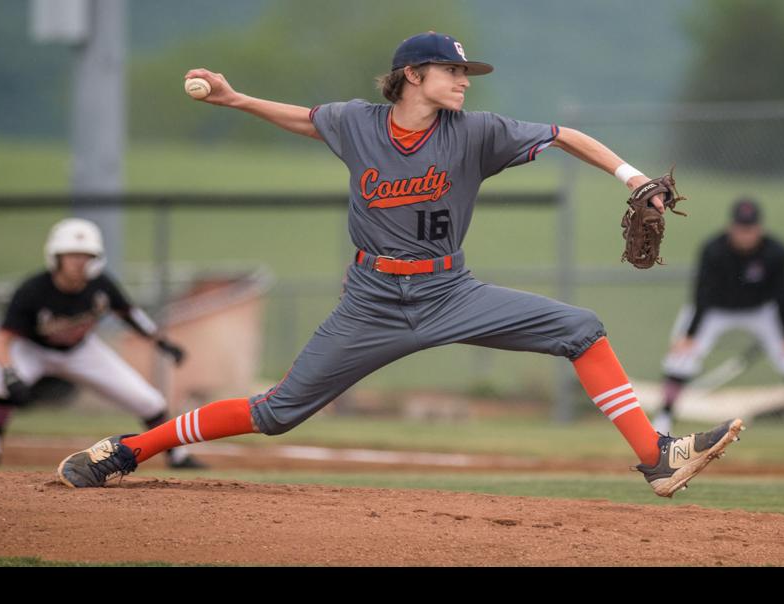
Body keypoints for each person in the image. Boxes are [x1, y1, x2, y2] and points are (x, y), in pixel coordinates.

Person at [55, 32, 741, 497]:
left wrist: (632, 177)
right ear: (413, 76)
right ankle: (129, 449)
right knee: (277, 412)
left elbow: (566, 137)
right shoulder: (357, 123)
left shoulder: (478, 132)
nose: (463, 82)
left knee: (581, 328)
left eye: (466, 73)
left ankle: (656, 457)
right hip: (372, 301)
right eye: (452, 72)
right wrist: (236, 99)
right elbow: (305, 119)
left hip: (450, 289)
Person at [0, 218, 202, 469]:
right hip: (34, 350)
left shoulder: (100, 285)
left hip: (81, 351)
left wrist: (162, 342)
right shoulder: (33, 290)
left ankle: (177, 456)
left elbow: (130, 314)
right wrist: (10, 372)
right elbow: (1, 339)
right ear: (56, 258)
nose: (79, 262)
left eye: (86, 256)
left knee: (150, 401)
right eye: (72, 256)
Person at [656, 198, 784, 447]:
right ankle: (663, 418)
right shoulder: (714, 249)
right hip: (715, 310)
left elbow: (783, 296)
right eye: (740, 227)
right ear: (731, 227)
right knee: (681, 355)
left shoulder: (776, 252)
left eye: (750, 228)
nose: (745, 234)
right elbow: (702, 294)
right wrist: (690, 334)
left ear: (760, 228)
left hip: (760, 311)